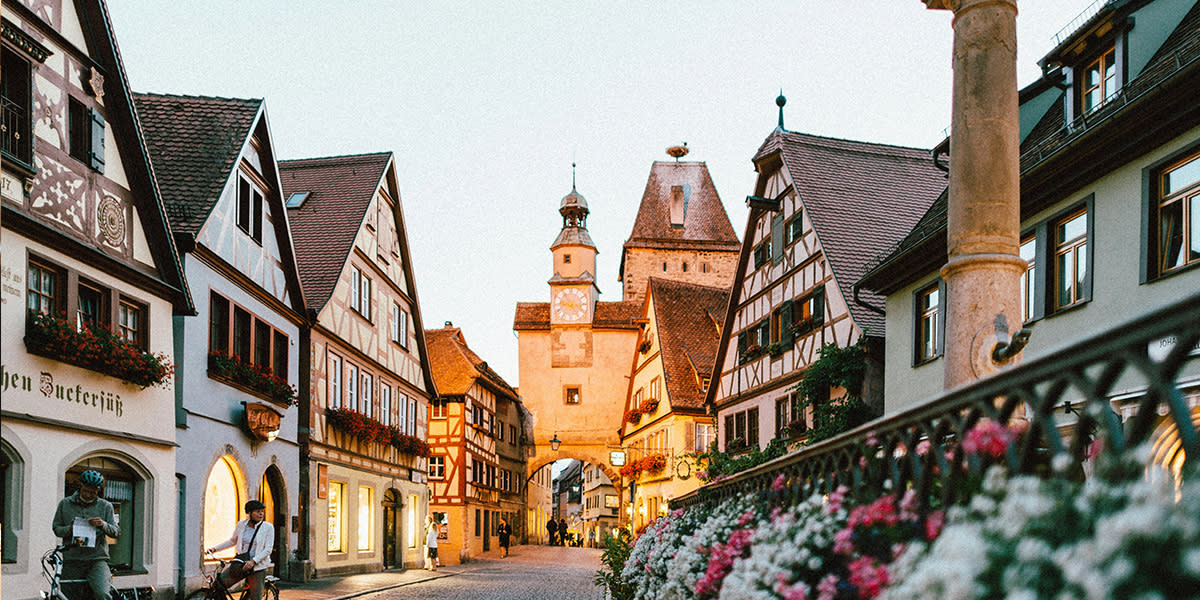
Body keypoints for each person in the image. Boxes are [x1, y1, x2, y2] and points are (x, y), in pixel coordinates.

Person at [52, 470, 119, 600]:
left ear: (98, 491)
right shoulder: (65, 504)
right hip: (72, 560)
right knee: (68, 596)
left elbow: (115, 532)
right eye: (86, 491)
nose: (89, 495)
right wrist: (70, 529)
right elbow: (56, 529)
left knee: (102, 594)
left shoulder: (105, 506)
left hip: (96, 559)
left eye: (93, 493)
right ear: (81, 486)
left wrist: (103, 524)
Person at [207, 500, 274, 600]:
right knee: (218, 586)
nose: (261, 514)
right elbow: (232, 541)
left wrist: (253, 561)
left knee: (255, 597)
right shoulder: (241, 525)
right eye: (257, 511)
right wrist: (214, 549)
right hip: (241, 563)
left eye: (262, 511)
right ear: (249, 513)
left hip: (257, 566)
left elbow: (268, 549)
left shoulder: (267, 527)